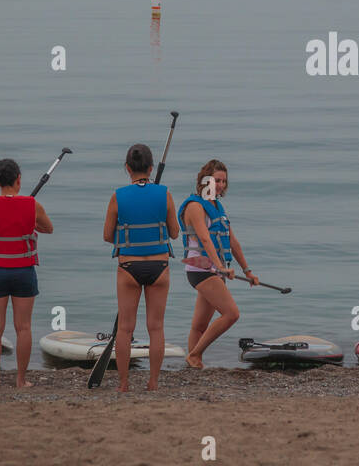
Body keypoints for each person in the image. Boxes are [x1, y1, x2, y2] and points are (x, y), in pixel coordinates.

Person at [0, 158, 53, 389]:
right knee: (23, 327)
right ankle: (21, 380)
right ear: (18, 180)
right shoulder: (32, 205)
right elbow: (48, 228)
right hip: (24, 272)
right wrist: (28, 224)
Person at [102, 143, 180, 392]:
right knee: (156, 327)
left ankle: (124, 384)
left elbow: (107, 235)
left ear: (127, 168)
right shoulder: (164, 193)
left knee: (125, 328)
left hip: (128, 267)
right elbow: (175, 233)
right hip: (159, 266)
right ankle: (153, 382)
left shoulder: (118, 196)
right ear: (150, 167)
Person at [179, 160, 258, 368]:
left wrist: (247, 270)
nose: (221, 184)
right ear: (205, 180)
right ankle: (195, 355)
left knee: (199, 326)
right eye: (216, 180)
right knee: (231, 314)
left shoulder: (217, 207)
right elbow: (205, 239)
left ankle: (193, 365)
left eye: (224, 181)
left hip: (215, 270)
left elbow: (232, 242)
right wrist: (220, 268)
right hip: (201, 269)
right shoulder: (195, 206)